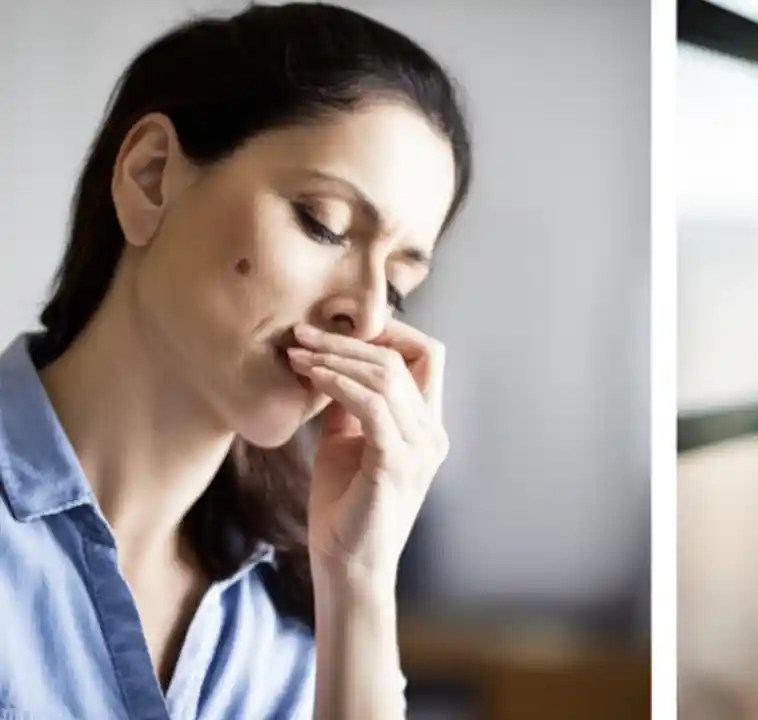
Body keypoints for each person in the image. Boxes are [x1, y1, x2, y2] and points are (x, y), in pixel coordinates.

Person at [0, 3, 470, 718]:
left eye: (400, 288)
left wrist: (360, 582)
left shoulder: (292, 629)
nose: (368, 315)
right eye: (325, 224)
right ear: (151, 177)